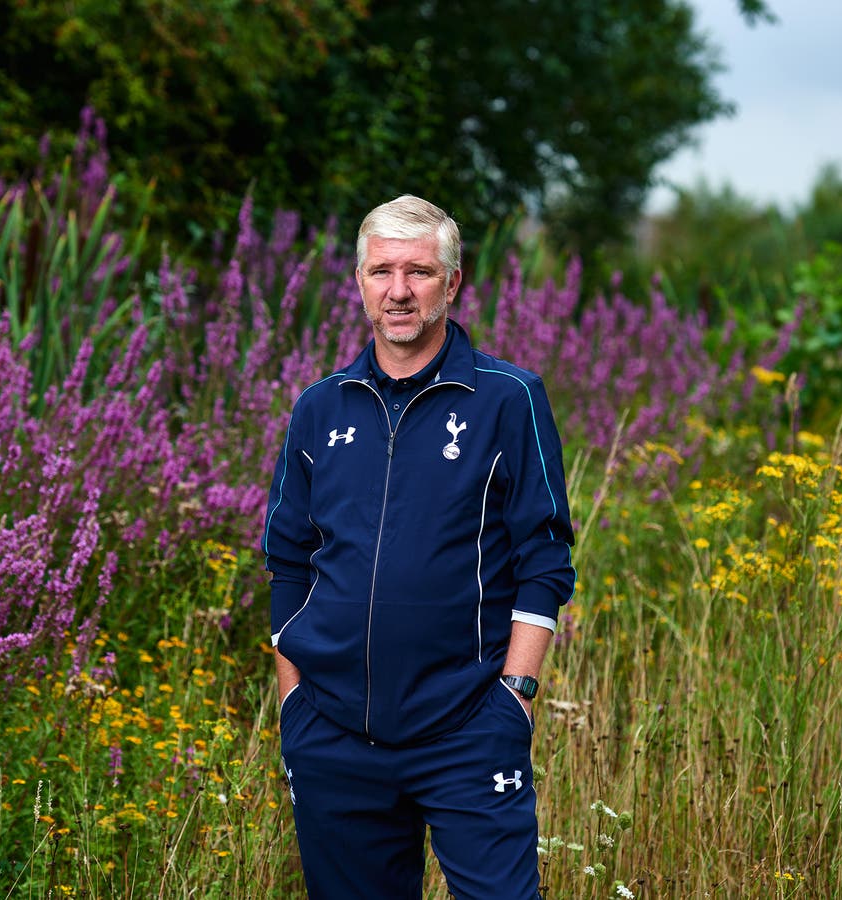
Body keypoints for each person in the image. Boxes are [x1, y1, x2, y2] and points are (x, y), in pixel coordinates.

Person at [263, 195, 576, 899]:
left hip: (469, 728)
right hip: (333, 736)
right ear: (359, 282)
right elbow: (288, 560)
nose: (398, 291)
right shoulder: (320, 406)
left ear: (453, 282)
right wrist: (294, 706)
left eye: (419, 272)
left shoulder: (508, 398)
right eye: (381, 272)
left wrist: (515, 697)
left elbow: (545, 559)